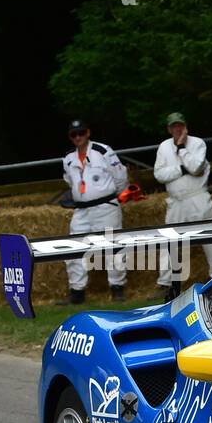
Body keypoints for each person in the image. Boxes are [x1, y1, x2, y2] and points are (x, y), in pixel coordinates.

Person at [153, 112, 212, 298]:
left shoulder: (198, 143)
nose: (177, 129)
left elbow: (196, 167)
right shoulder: (163, 147)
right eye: (173, 126)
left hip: (198, 198)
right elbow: (159, 174)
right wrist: (181, 169)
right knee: (170, 242)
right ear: (169, 129)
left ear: (185, 127)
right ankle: (165, 283)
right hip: (176, 201)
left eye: (180, 126)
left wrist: (182, 148)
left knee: (210, 240)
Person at [61, 119, 129, 304]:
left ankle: (117, 288)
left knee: (112, 247)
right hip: (81, 210)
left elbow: (121, 178)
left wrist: (107, 196)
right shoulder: (68, 158)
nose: (78, 137)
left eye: (81, 133)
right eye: (74, 135)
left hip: (106, 206)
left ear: (88, 133)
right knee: (74, 247)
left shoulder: (103, 150)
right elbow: (70, 181)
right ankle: (77, 291)